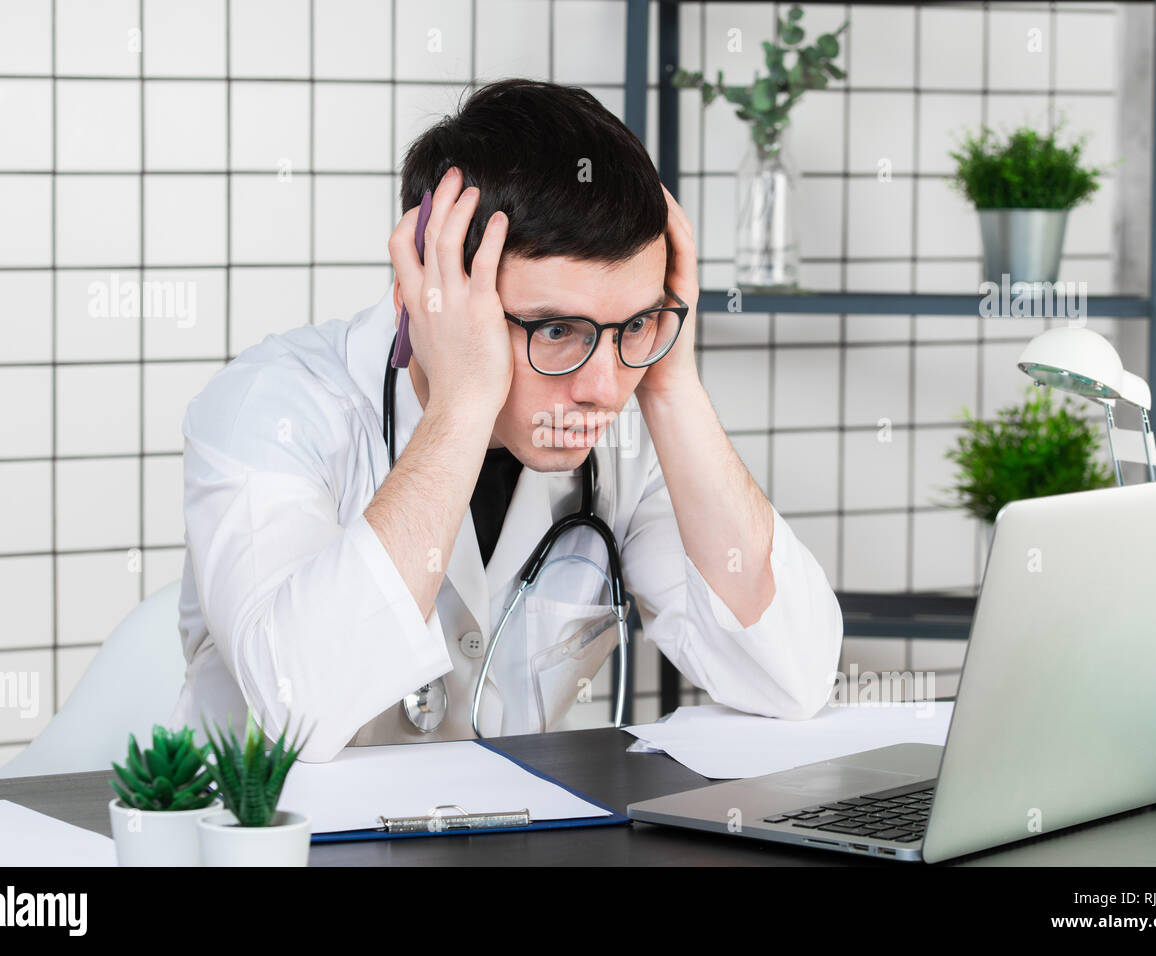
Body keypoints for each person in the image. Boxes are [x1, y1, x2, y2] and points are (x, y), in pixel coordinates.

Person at [168, 78, 843, 762]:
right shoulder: (272, 410)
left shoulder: (628, 430)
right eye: (556, 330)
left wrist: (671, 383)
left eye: (635, 323)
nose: (603, 387)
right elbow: (298, 709)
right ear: (429, 295)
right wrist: (463, 403)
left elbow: (792, 676)